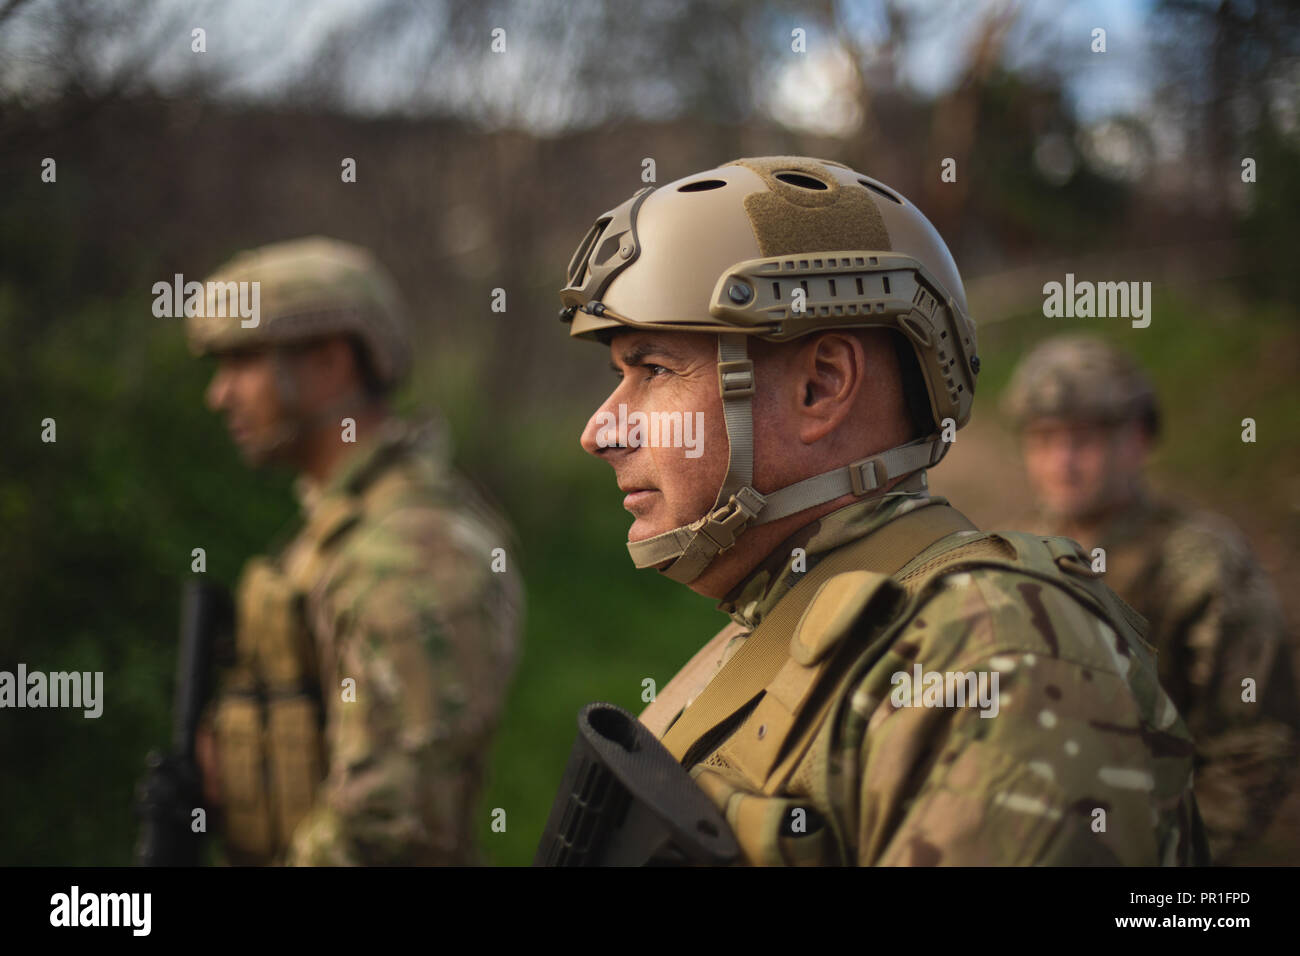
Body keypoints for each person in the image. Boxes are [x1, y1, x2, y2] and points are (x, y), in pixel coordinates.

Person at [557, 156, 1207, 865]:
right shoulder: (786, 626)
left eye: (653, 370)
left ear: (822, 386)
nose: (601, 431)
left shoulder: (994, 660)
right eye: (620, 376)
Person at [186, 236, 520, 865]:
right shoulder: (336, 529)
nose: (220, 394)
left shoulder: (407, 550)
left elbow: (388, 828)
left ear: (331, 361)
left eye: (243, 362)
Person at [1002, 334, 1297, 863]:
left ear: (1138, 438)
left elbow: (1254, 748)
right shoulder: (1011, 552)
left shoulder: (1205, 564)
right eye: (1045, 440)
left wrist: (1168, 856)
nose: (1062, 463)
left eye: (1084, 440)